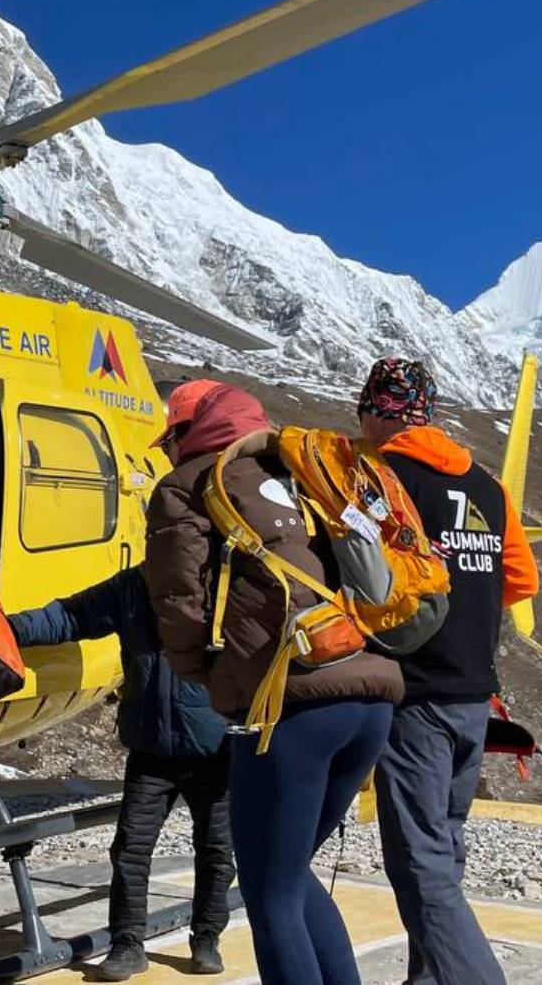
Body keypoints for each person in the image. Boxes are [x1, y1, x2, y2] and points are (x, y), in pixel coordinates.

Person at [147, 381, 405, 985]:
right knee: (290, 875)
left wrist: (207, 678)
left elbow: (179, 599)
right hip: (369, 695)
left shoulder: (186, 487)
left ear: (190, 433)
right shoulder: (297, 468)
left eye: (171, 440)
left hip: (292, 705)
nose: (166, 454)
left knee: (270, 893)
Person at [360, 357, 538, 985]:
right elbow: (523, 579)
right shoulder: (487, 486)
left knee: (419, 863)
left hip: (415, 694)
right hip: (473, 697)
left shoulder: (383, 478)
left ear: (377, 412)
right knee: (446, 848)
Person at [10, 567, 233, 980]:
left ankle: (206, 939)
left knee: (217, 850)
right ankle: (128, 943)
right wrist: (2, 629)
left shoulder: (224, 582)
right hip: (151, 749)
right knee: (131, 849)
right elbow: (70, 617)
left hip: (214, 749)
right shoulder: (133, 586)